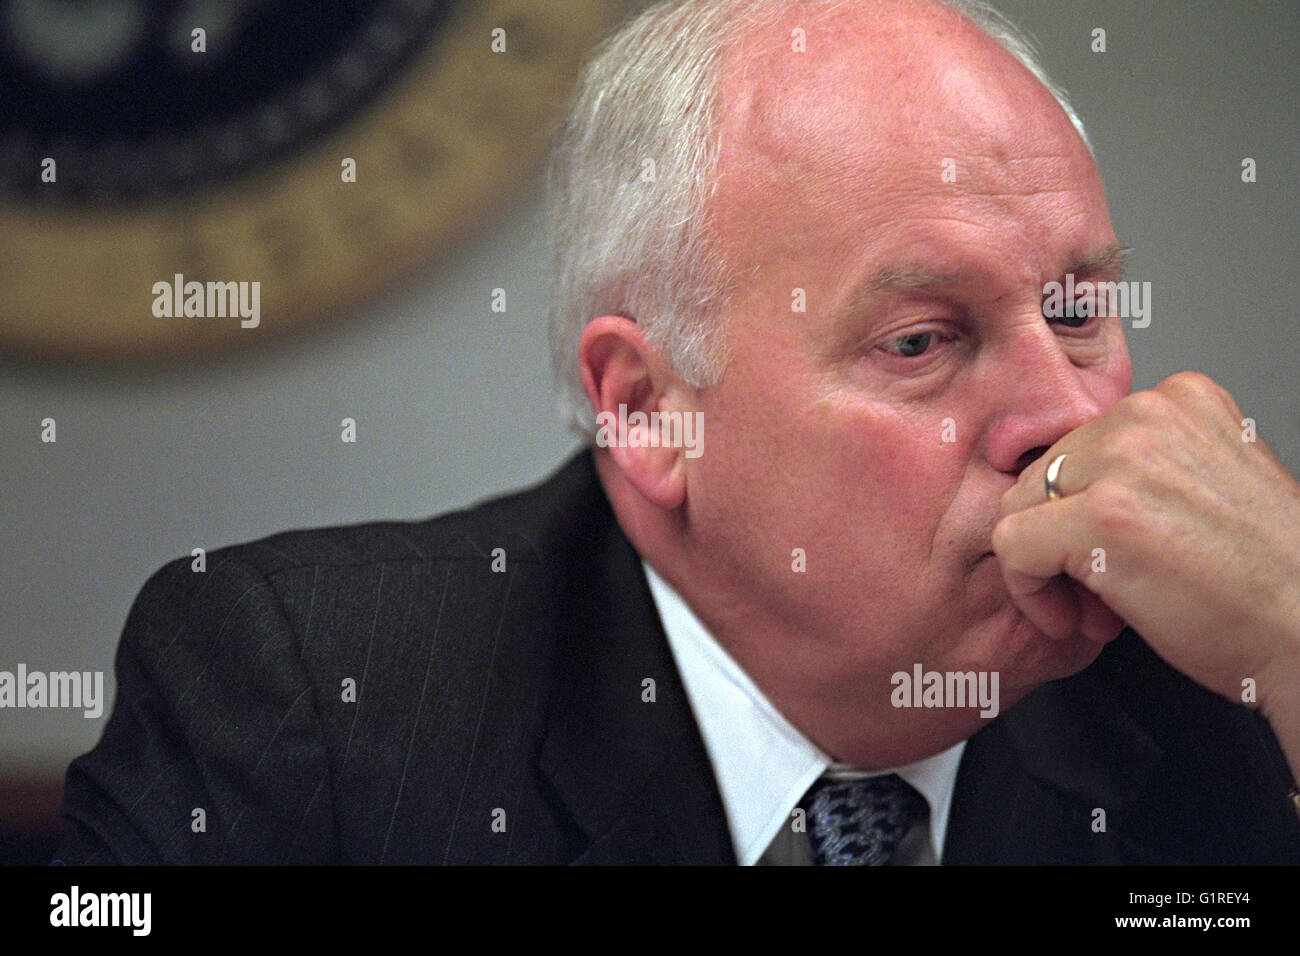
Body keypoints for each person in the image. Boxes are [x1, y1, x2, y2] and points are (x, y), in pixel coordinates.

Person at [57, 0, 1300, 865]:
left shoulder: (1215, 667)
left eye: (1078, 310)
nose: (1074, 415)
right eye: (922, 340)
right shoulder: (313, 701)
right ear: (647, 410)